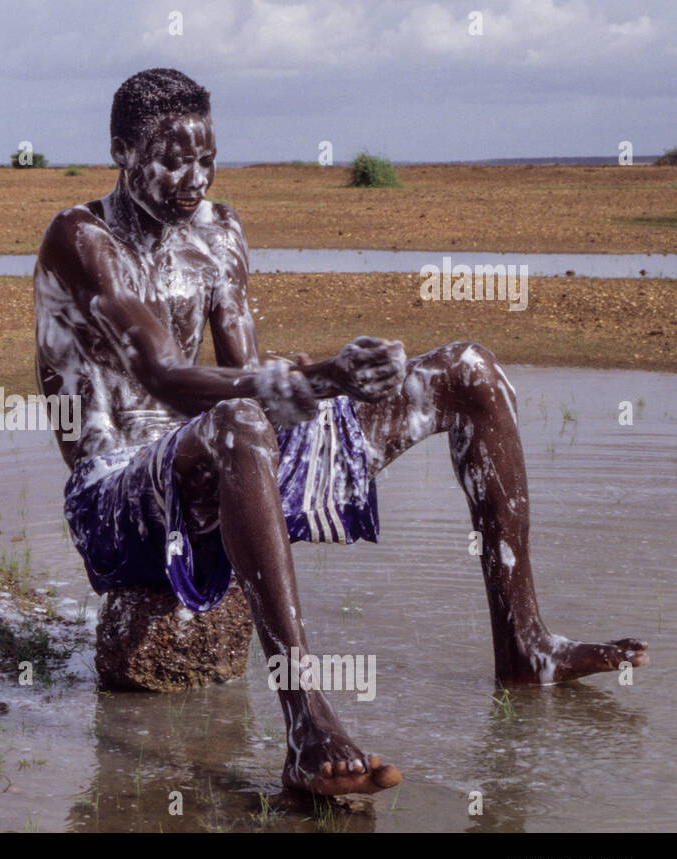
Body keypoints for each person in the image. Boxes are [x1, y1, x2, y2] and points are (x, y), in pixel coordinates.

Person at [33, 67, 649, 795]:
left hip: (222, 455)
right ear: (121, 150)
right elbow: (165, 378)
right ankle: (306, 722)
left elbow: (247, 373)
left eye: (206, 159)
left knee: (469, 370)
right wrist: (323, 377)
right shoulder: (82, 237)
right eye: (171, 160)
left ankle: (526, 646)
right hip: (118, 501)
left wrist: (345, 385)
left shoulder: (220, 234)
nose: (192, 179)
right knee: (237, 422)